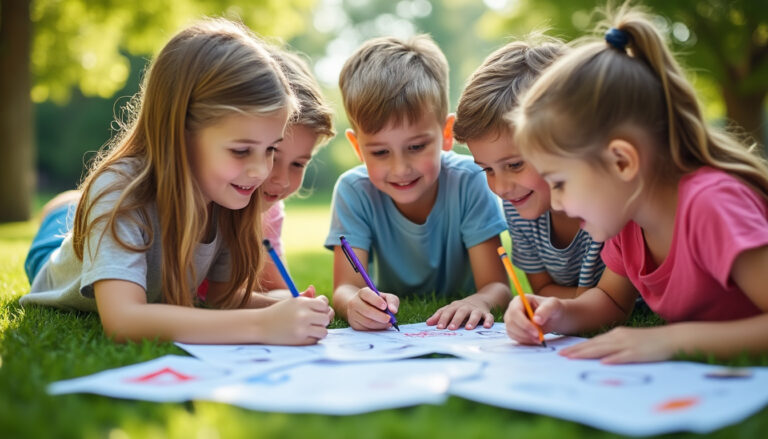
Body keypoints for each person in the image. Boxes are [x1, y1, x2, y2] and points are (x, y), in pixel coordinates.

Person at [20, 18, 333, 345]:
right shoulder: (120, 193)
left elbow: (221, 300)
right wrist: (262, 325)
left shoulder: (227, 197)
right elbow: (123, 320)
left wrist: (288, 308)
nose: (261, 171)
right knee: (63, 221)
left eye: (270, 149)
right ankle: (64, 207)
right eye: (241, 151)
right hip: (56, 265)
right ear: (179, 133)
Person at [504, 4, 768, 363]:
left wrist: (673, 340)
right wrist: (558, 313)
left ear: (621, 161)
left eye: (560, 182)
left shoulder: (711, 204)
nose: (557, 203)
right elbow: (611, 301)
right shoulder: (627, 219)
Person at [326, 35, 510, 331]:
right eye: (380, 152)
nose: (400, 169)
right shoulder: (353, 191)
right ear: (358, 148)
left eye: (416, 147)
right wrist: (354, 304)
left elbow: (497, 286)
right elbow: (344, 289)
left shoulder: (471, 181)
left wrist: (480, 301)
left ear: (446, 133)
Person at [454, 35, 605, 301]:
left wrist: (588, 303)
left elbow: (615, 300)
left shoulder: (609, 202)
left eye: (514, 164)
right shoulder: (520, 204)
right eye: (487, 169)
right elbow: (543, 290)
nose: (501, 188)